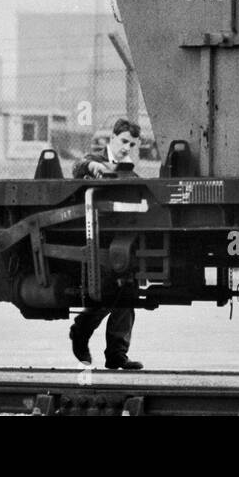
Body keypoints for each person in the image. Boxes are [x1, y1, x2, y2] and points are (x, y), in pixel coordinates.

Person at [69, 118, 144, 370]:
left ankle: (117, 356)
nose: (126, 148)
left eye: (132, 144)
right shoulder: (95, 159)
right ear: (112, 137)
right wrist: (93, 165)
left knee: (128, 296)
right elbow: (78, 166)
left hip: (121, 240)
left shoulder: (129, 170)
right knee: (108, 296)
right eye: (123, 141)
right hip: (96, 239)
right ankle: (80, 332)